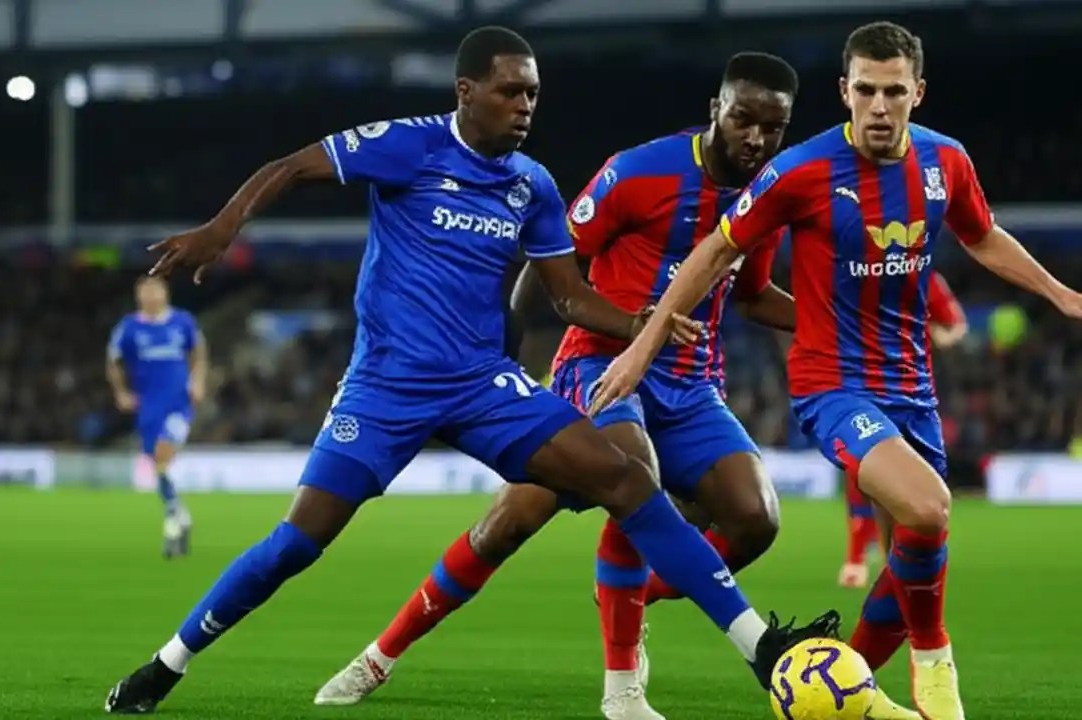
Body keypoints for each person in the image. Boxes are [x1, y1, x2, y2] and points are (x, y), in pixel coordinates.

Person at [103, 26, 835, 715]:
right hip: (386, 386)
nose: (524, 108)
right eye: (511, 92)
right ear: (465, 91)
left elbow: (568, 294)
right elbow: (292, 167)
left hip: (482, 384)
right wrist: (223, 227)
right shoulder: (409, 148)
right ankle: (169, 661)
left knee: (627, 479)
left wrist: (640, 326)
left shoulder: (533, 185)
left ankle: (761, 648)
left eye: (533, 96)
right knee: (298, 542)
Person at [314, 52, 899, 720]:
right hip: (597, 367)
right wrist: (506, 349)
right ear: (718, 110)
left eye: (774, 128)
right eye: (745, 120)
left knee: (754, 519)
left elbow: (753, 292)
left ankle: (630, 593)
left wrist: (841, 328)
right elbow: (551, 263)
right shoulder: (639, 170)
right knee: (526, 520)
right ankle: (393, 660)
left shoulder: (766, 191)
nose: (758, 140)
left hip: (691, 385)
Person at [588, 21, 1082, 720]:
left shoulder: (946, 163)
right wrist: (642, 344)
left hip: (912, 384)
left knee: (915, 553)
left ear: (918, 93)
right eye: (867, 91)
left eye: (895, 92)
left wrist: (1062, 295)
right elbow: (716, 253)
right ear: (845, 92)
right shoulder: (801, 172)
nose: (880, 106)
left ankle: (846, 694)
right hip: (833, 385)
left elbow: (982, 235)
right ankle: (937, 670)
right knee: (930, 507)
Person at [840, 270, 964, 588]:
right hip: (859, 389)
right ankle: (857, 558)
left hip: (913, 394)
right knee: (861, 474)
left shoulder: (925, 277)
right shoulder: (851, 272)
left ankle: (895, 565)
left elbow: (956, 324)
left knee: (914, 490)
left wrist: (941, 335)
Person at [106, 276, 206, 558]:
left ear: (165, 293)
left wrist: (198, 380)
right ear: (138, 296)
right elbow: (113, 360)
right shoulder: (129, 328)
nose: (151, 295)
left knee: (163, 452)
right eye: (145, 291)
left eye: (155, 290)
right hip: (149, 406)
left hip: (178, 404)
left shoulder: (182, 322)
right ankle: (178, 514)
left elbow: (199, 350)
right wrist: (121, 392)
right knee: (158, 465)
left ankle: (175, 517)